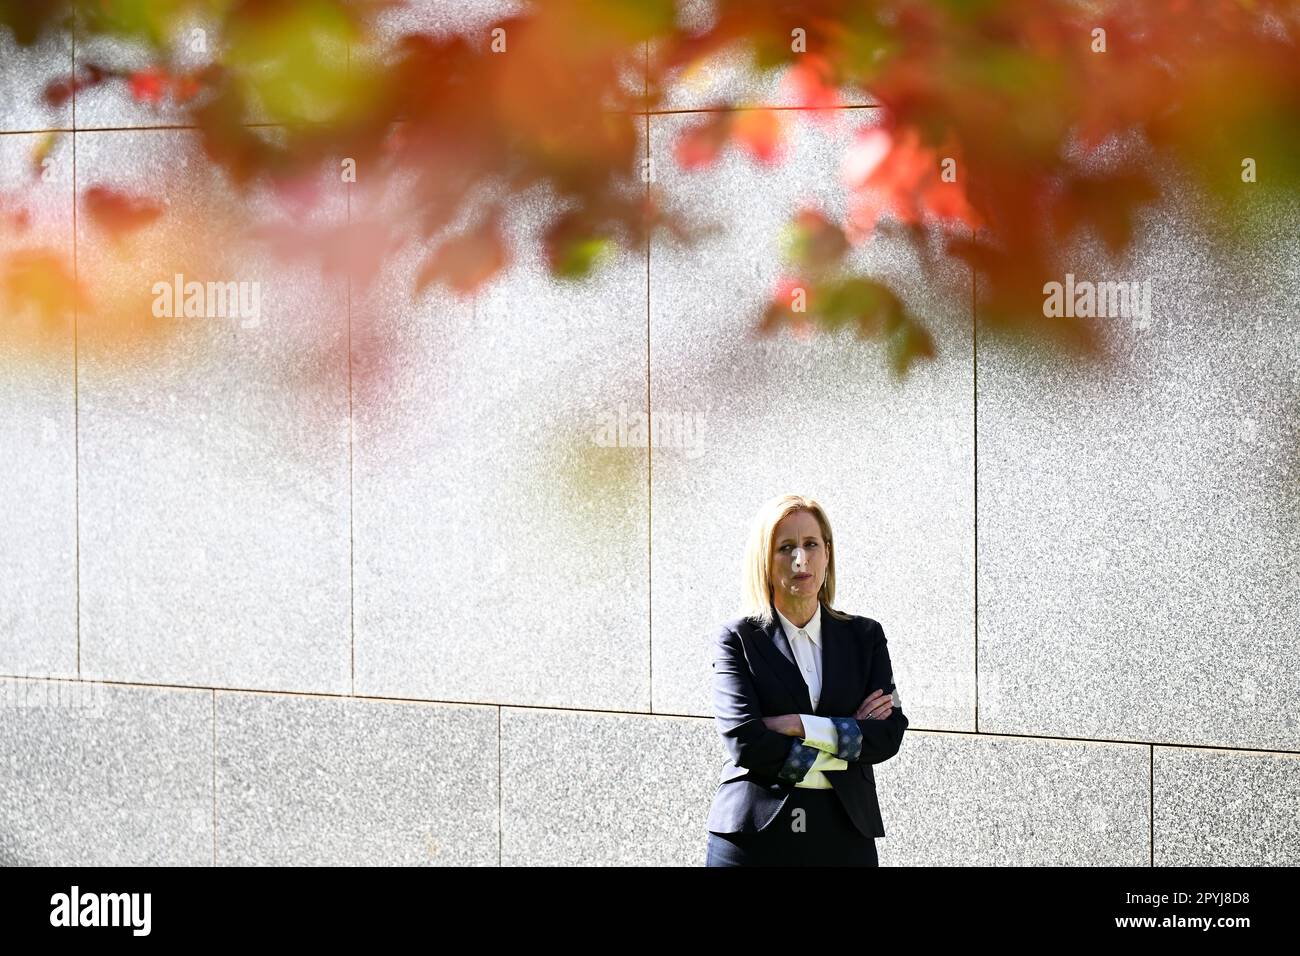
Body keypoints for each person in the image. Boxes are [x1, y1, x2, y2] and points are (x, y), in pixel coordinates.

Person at [705, 493, 908, 866]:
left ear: (827, 553)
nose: (801, 559)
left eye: (811, 544)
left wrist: (799, 726)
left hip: (846, 833)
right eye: (785, 548)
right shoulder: (737, 639)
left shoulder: (866, 637)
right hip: (753, 839)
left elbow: (889, 734)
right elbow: (746, 742)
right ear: (765, 561)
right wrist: (847, 739)